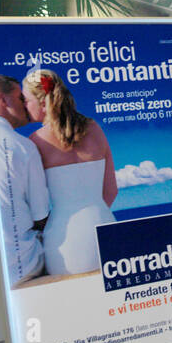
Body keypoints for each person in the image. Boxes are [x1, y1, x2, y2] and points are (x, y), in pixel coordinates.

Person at [23, 68, 118, 276]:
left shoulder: (35, 142)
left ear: (41, 103)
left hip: (64, 241)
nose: (24, 105)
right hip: (107, 230)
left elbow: (35, 206)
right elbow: (111, 190)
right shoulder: (95, 128)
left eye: (26, 99)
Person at [0, 74, 50, 285]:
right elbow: (40, 214)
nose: (25, 105)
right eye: (20, 98)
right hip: (22, 263)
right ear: (4, 100)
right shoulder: (22, 146)